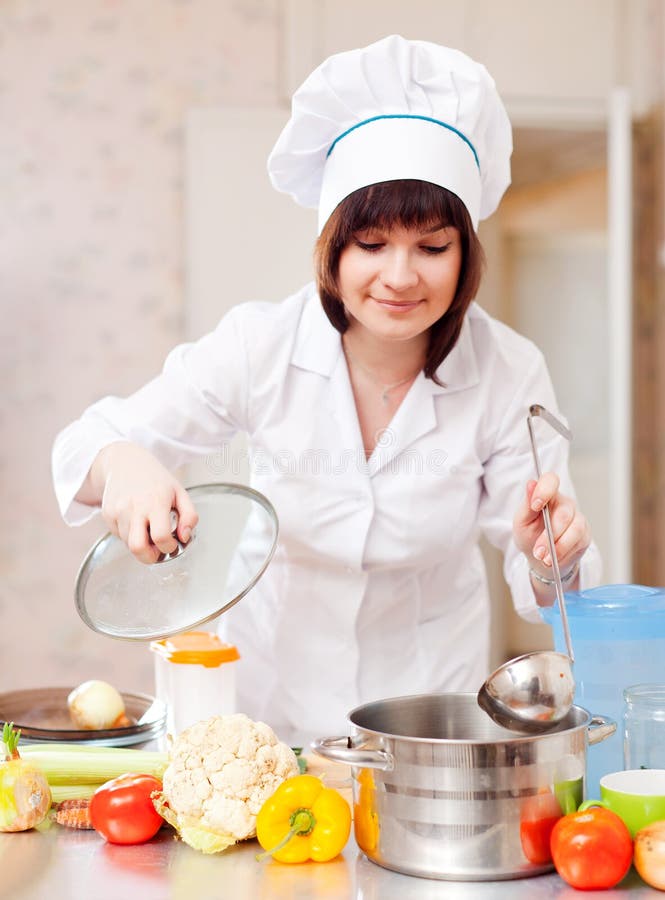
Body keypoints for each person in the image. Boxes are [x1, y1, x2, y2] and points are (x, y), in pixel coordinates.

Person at [52, 35, 600, 735]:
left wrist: (551, 557)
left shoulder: (507, 370)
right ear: (332, 248)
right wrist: (124, 463)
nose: (400, 277)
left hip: (428, 719)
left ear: (465, 255)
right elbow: (84, 445)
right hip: (268, 713)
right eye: (371, 245)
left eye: (432, 247)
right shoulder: (260, 345)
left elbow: (553, 597)